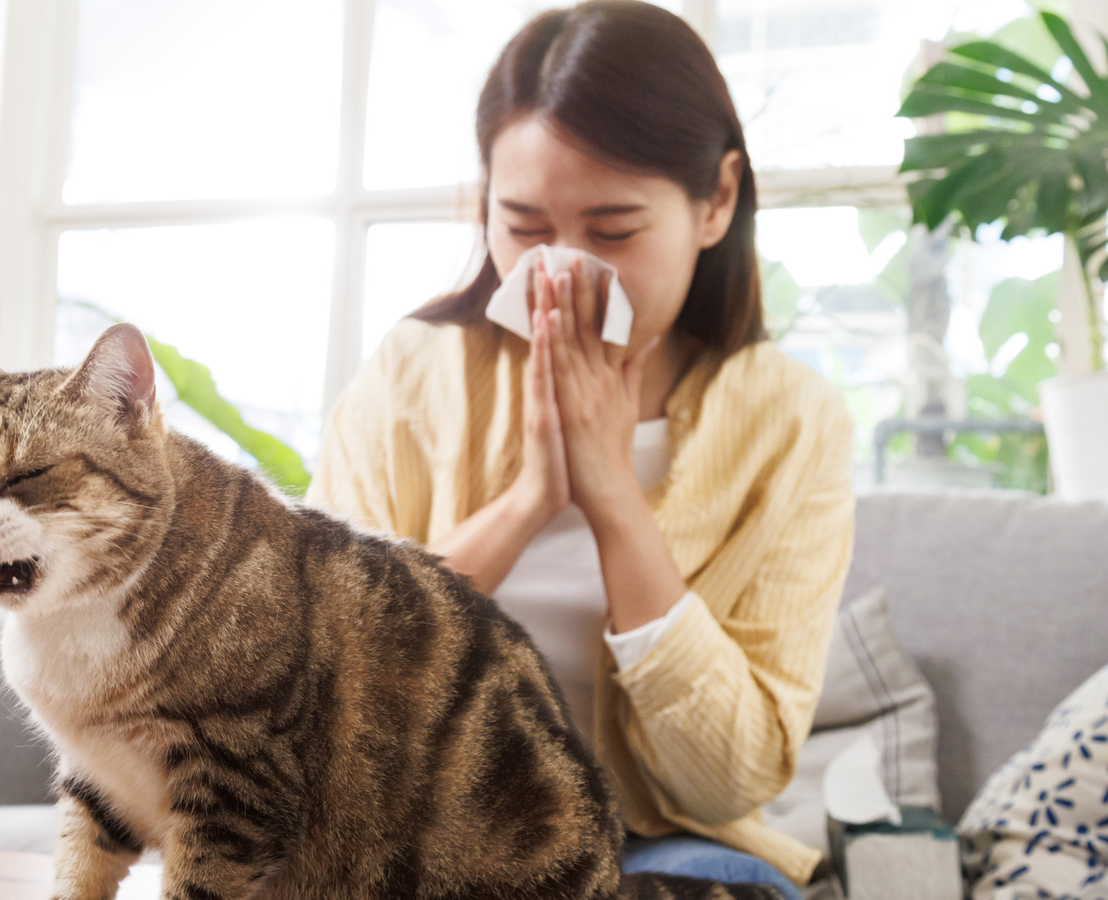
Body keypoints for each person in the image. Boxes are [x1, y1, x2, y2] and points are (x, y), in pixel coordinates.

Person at [304, 2, 856, 896]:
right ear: (479, 205)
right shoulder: (413, 376)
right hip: (424, 839)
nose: (561, 274)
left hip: (666, 854)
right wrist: (528, 500)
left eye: (613, 232)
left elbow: (730, 779)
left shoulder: (791, 421)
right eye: (524, 227)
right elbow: (327, 696)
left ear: (715, 202)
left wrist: (613, 500)